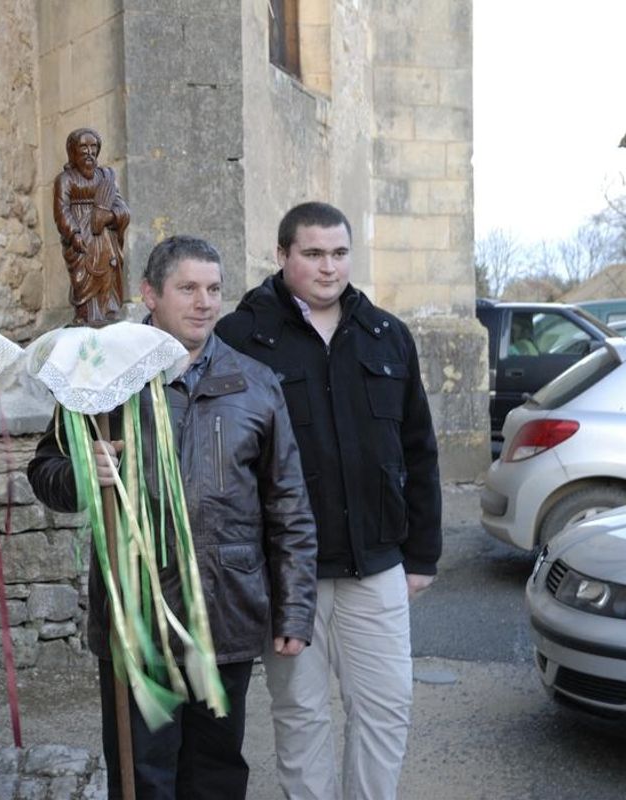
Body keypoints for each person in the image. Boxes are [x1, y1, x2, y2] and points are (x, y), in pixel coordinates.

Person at [28, 235, 318, 799]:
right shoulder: (100, 381)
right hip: (139, 618)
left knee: (215, 775)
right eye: (187, 288)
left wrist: (295, 609)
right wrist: (83, 472)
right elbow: (47, 473)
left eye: (213, 289)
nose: (204, 302)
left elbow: (289, 506)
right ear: (149, 294)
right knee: (144, 777)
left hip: (227, 610)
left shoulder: (255, 384)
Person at [216, 201, 442, 800]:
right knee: (302, 715)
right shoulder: (240, 338)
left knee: (386, 707)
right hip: (287, 574)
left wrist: (421, 555)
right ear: (283, 255)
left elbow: (418, 448)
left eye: (339, 253)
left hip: (376, 564)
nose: (328, 267)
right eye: (312, 254)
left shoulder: (387, 335)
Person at [53, 127, 131, 326]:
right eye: (83, 147)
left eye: (93, 146)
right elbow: (61, 210)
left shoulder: (106, 177)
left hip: (106, 237)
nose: (89, 152)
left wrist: (111, 217)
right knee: (84, 277)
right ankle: (87, 312)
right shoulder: (65, 179)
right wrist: (74, 234)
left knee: (109, 271)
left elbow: (121, 206)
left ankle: (108, 310)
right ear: (73, 151)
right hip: (81, 239)